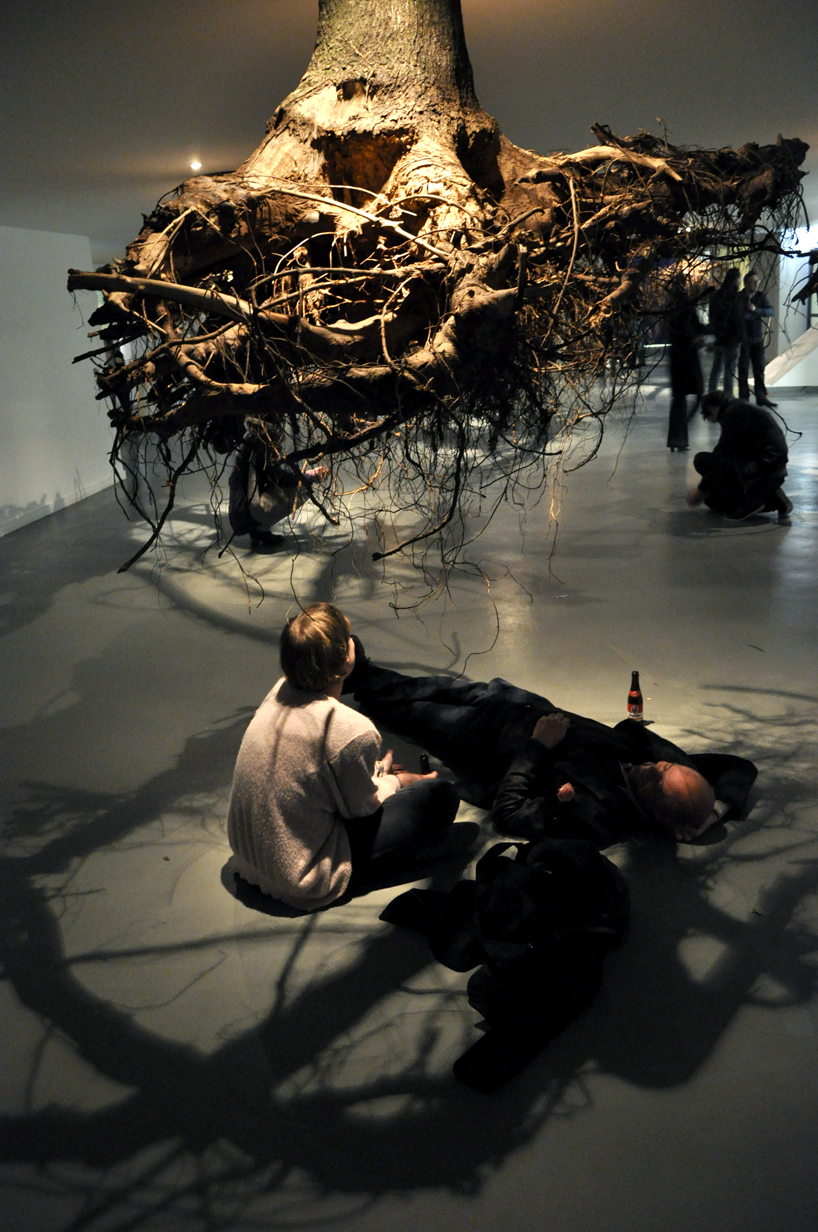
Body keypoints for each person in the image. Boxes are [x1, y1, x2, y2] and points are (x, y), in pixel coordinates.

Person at [345, 649, 757, 847]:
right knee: (423, 685)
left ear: (659, 817)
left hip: (481, 743)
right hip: (512, 703)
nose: (652, 766)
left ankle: (347, 678)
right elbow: (738, 767)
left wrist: (539, 747)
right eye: (665, 765)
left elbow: (508, 815)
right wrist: (714, 813)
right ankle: (355, 671)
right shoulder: (667, 774)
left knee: (411, 712)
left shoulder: (600, 817)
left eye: (655, 779)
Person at [227, 604, 466, 910]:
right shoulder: (351, 729)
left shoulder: (278, 692)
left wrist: (374, 773)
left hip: (249, 858)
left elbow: (314, 773)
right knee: (440, 795)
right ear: (345, 658)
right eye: (349, 637)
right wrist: (395, 782)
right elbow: (361, 809)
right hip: (301, 877)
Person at [687, 389, 791, 520]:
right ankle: (771, 497)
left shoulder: (734, 413)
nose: (716, 422)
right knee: (712, 501)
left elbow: (723, 454)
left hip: (764, 465)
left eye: (711, 418)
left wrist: (701, 490)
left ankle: (756, 499)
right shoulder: (738, 408)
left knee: (702, 461)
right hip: (770, 463)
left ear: (712, 408)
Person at [228, 433, 329, 549]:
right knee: (301, 487)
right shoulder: (261, 439)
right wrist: (309, 476)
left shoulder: (251, 437)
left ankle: (258, 528)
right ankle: (259, 528)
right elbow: (277, 477)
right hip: (245, 514)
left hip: (241, 513)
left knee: (294, 483)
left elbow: (269, 476)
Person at [666, 287, 707, 451]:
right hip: (688, 359)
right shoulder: (688, 310)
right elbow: (694, 329)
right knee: (694, 396)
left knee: (679, 400)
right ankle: (679, 437)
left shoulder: (672, 311)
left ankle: (677, 439)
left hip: (678, 359)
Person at [738, 270, 776, 409]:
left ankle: (761, 397)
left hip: (757, 339)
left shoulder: (760, 297)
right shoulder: (739, 297)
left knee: (759, 369)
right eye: (754, 282)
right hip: (744, 340)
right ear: (747, 283)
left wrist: (756, 310)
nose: (756, 284)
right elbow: (739, 316)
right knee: (743, 369)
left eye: (758, 281)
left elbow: (770, 311)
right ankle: (744, 398)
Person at [707, 268, 745, 397]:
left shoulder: (717, 295)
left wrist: (715, 331)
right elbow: (737, 318)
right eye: (739, 278)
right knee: (730, 371)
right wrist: (740, 336)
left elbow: (711, 315)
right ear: (736, 279)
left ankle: (711, 394)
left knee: (716, 369)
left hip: (719, 337)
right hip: (732, 340)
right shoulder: (735, 296)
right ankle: (728, 397)